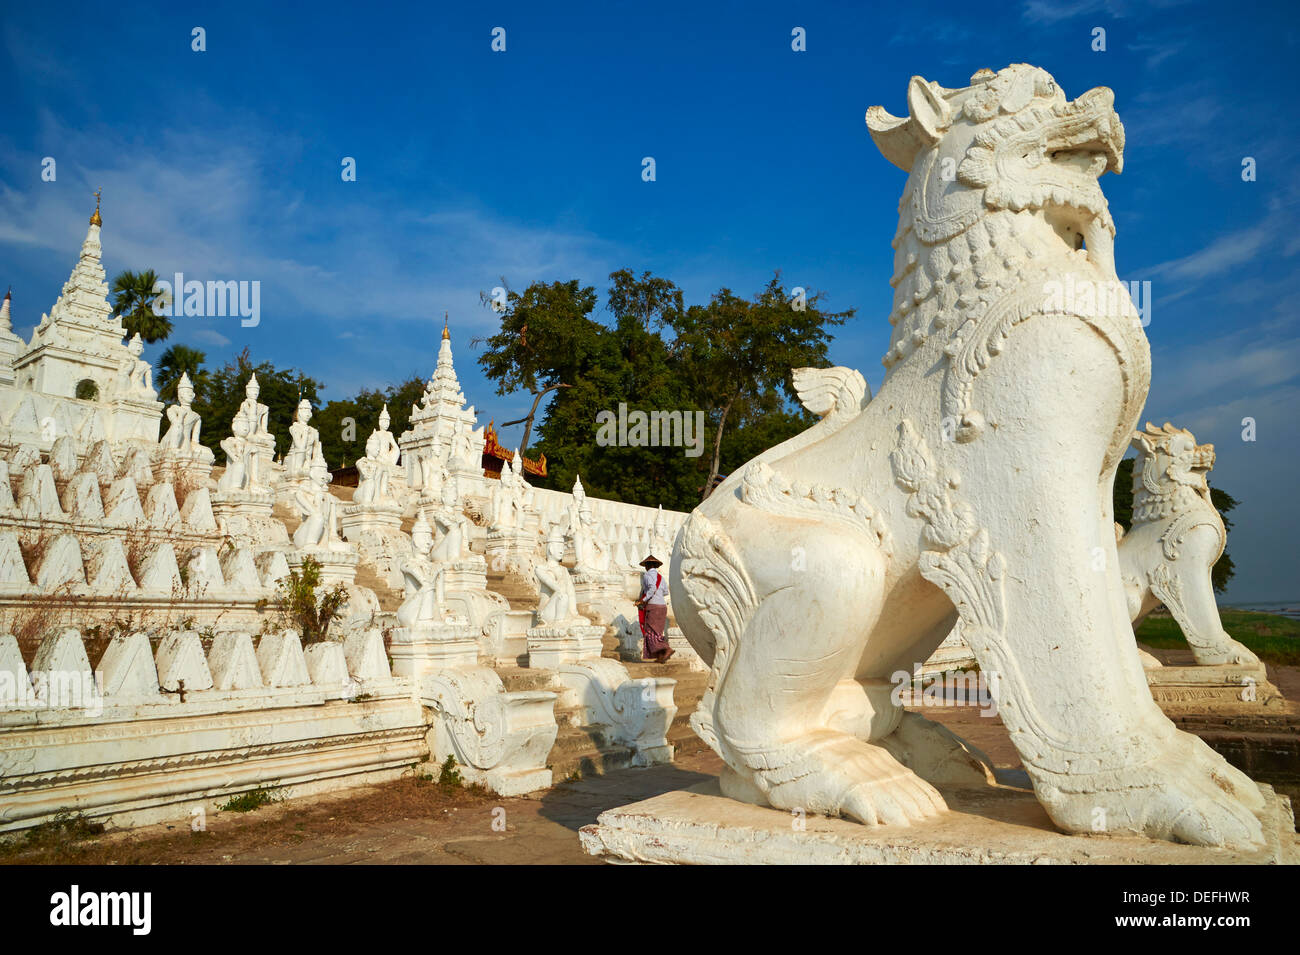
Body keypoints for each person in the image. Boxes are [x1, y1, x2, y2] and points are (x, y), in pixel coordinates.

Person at [636, 555, 674, 663]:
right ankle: (661, 657)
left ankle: (667, 649)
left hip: (653, 607)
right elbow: (666, 592)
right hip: (662, 607)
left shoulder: (647, 576)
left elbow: (652, 588)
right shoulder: (660, 577)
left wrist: (644, 599)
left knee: (651, 632)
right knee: (657, 632)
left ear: (647, 566)